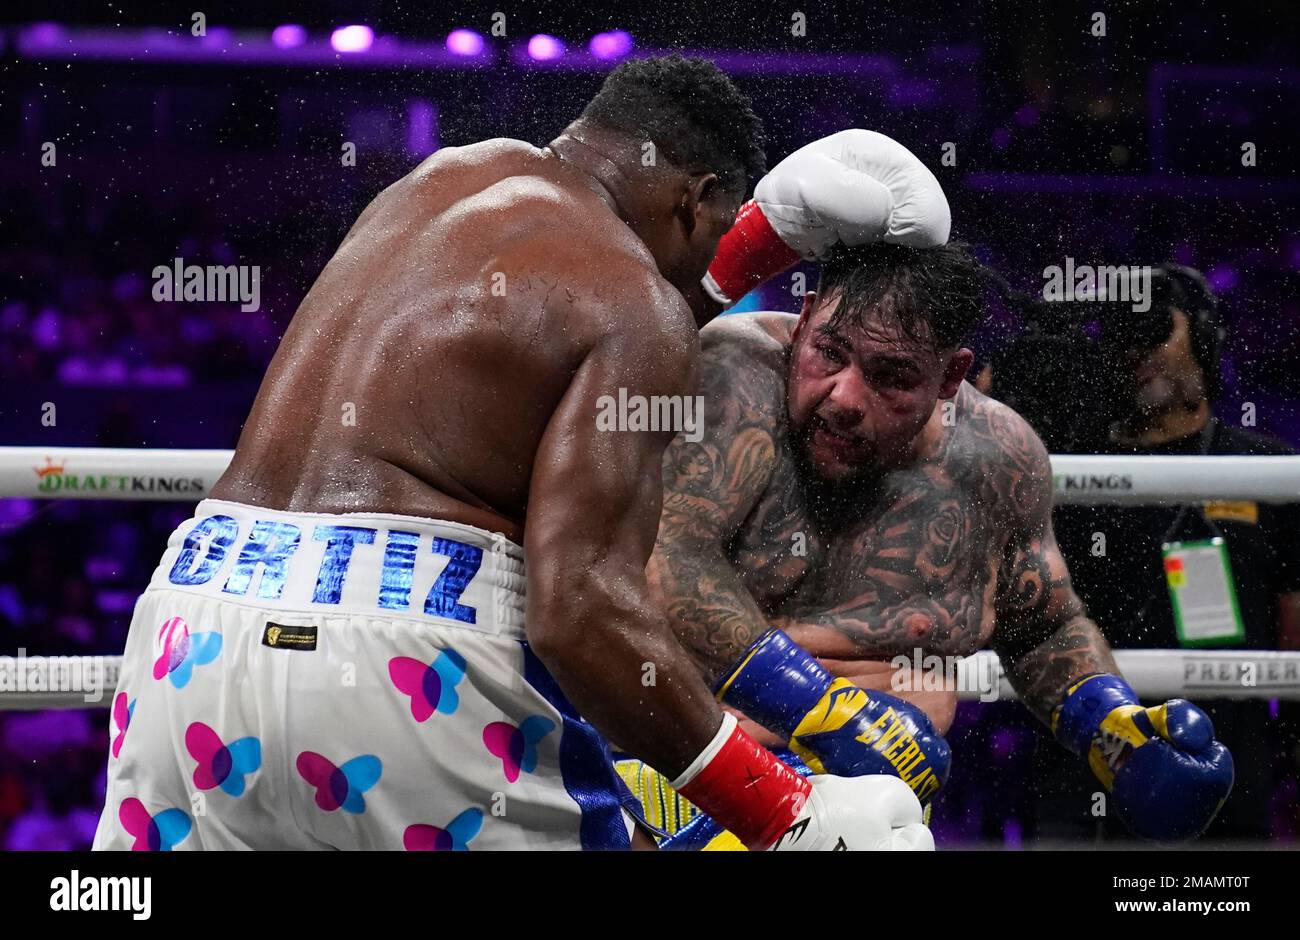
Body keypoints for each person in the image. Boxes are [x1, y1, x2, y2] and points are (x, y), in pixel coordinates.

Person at [92, 55, 942, 851]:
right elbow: (577, 611)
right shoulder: (635, 302)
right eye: (720, 230)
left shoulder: (432, 186)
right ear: (698, 198)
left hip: (191, 629)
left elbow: (571, 306)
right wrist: (783, 812)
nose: (714, 266)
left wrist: (758, 237)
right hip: (407, 660)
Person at [626, 242, 1233, 849]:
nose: (842, 396)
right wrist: (822, 708)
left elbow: (1042, 627)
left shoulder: (996, 460)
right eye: (829, 353)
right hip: (675, 773)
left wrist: (1112, 728)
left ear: (949, 376)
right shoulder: (736, 376)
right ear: (805, 318)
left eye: (890, 376)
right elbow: (667, 557)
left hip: (870, 814)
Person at [1023, 264, 1300, 843]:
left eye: (1152, 329)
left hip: (1226, 771)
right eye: (1122, 333)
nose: (1136, 350)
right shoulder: (1063, 468)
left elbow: (1294, 630)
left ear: (1201, 340)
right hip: (1080, 769)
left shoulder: (1267, 472)